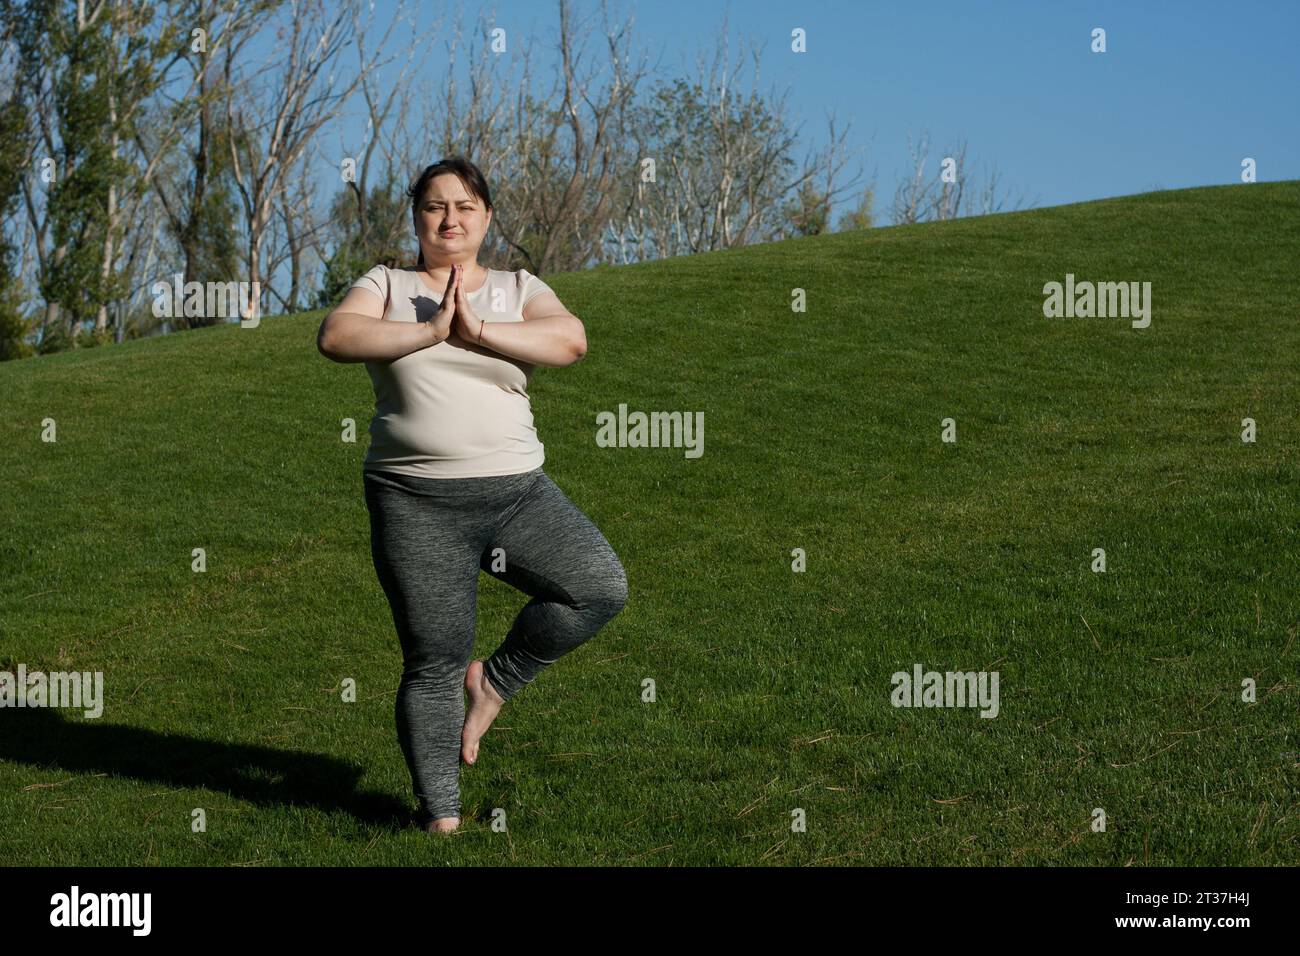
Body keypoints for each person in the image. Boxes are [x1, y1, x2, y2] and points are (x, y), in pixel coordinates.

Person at [316, 156, 628, 834]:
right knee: (433, 660)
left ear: (486, 217)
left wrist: (476, 330)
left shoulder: (518, 287)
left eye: (464, 206)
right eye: (434, 206)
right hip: (412, 499)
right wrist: (429, 331)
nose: (449, 219)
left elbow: (571, 341)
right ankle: (442, 817)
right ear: (417, 217)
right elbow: (336, 336)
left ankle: (495, 682)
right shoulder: (387, 284)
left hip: (517, 492)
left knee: (598, 588)